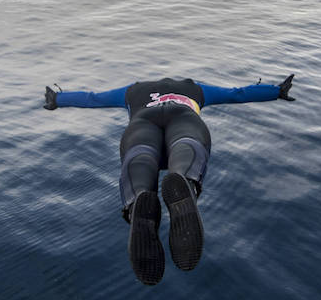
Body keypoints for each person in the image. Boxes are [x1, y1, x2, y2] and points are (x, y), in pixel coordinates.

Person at [42, 75, 295, 285]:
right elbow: (237, 94)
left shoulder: (132, 90)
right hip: (184, 119)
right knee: (186, 145)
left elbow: (92, 98)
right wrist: (276, 91)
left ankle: (137, 200)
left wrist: (57, 99)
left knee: (140, 158)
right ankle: (186, 181)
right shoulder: (195, 88)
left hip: (143, 123)